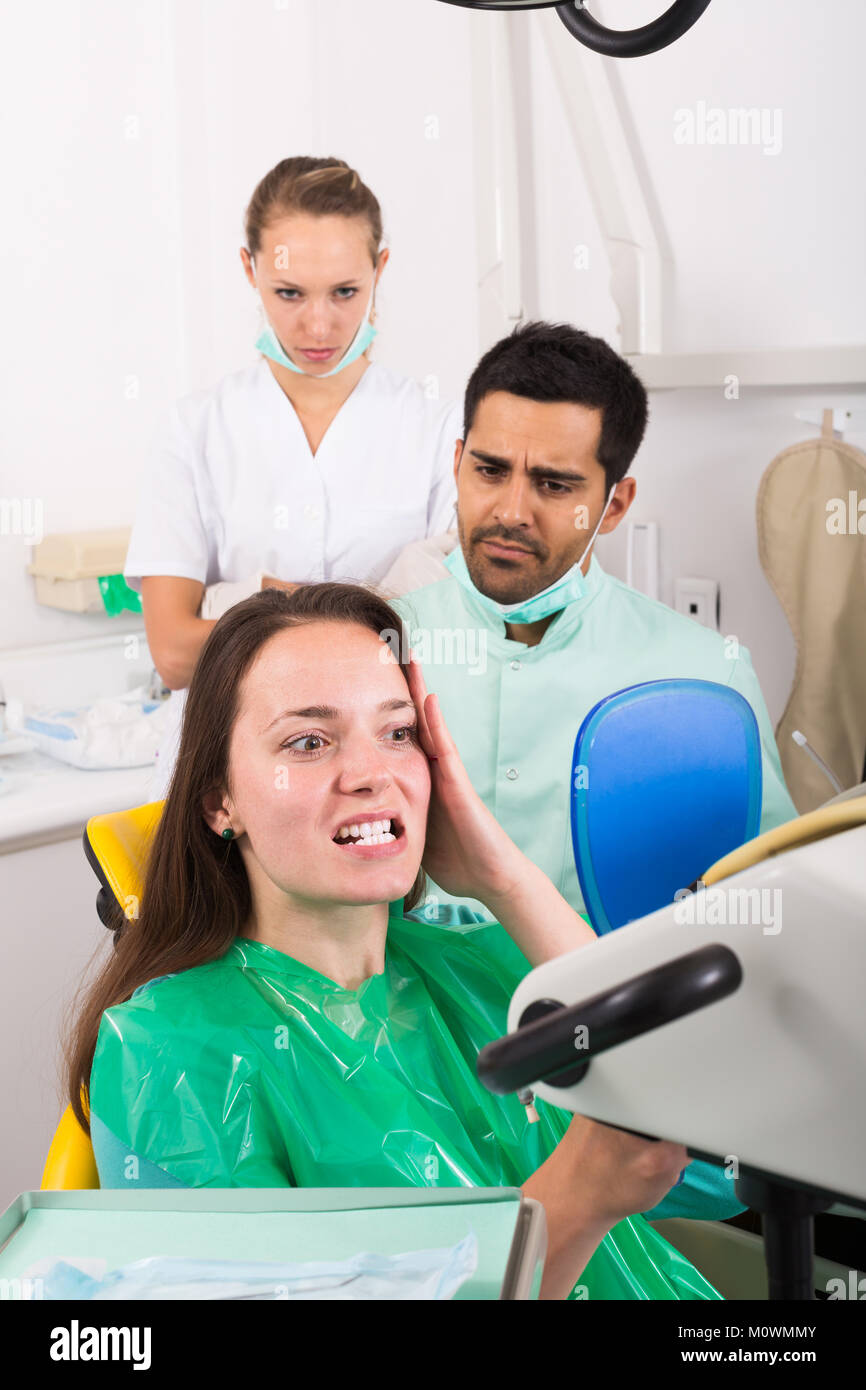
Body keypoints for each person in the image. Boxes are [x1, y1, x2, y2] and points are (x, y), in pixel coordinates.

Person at [69, 584, 719, 1301]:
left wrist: (500, 874)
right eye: (308, 742)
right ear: (220, 800)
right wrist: (573, 1197)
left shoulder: (475, 956)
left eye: (398, 733)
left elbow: (689, 1093)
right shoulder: (170, 1053)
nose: (371, 774)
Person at [392, 320, 798, 927]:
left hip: (608, 1012)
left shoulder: (705, 675)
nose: (510, 511)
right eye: (490, 470)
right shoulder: (379, 649)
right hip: (405, 1017)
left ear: (616, 504)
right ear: (457, 464)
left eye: (554, 485)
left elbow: (764, 900)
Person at [126, 156, 461, 796]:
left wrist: (245, 607)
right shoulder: (196, 429)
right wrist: (361, 617)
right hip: (222, 771)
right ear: (250, 269)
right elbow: (171, 651)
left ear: (379, 271)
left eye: (344, 291)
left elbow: (443, 641)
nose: (318, 325)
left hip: (379, 771)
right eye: (289, 293)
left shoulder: (437, 431)